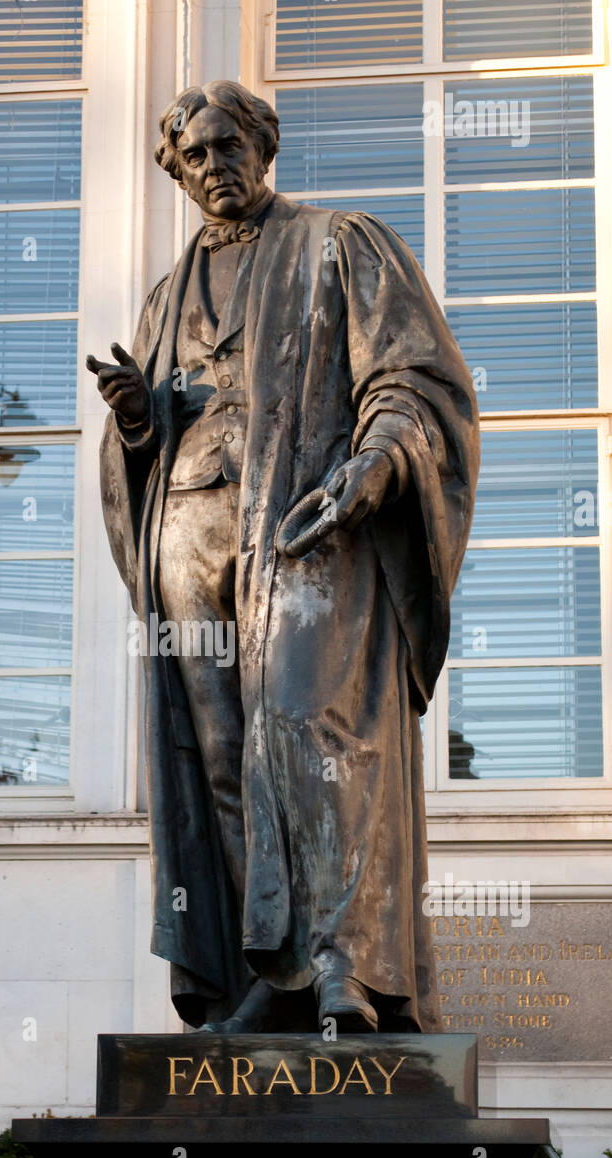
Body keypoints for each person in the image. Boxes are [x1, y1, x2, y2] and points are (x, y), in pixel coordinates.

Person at [87, 81, 479, 1034]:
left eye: (229, 147)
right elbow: (134, 448)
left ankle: (349, 966)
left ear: (263, 148)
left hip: (303, 527)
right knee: (220, 750)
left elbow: (413, 378)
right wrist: (138, 421)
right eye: (194, 157)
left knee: (311, 731)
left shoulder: (340, 244)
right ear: (175, 173)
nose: (213, 167)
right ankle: (270, 970)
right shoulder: (162, 298)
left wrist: (379, 464)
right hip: (186, 530)